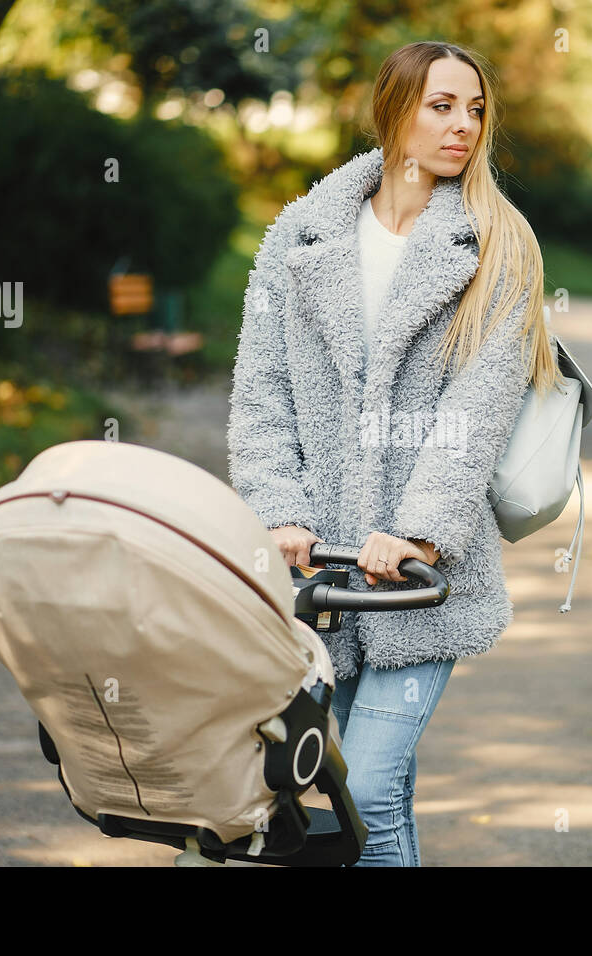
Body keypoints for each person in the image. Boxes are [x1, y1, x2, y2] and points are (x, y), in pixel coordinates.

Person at [227, 40, 559, 866]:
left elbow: (477, 414)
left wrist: (419, 533)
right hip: (325, 576)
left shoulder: (497, 246)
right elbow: (261, 392)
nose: (463, 127)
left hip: (427, 582)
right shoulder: (301, 236)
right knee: (367, 795)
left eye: (475, 109)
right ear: (393, 111)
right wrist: (281, 512)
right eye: (441, 106)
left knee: (364, 789)